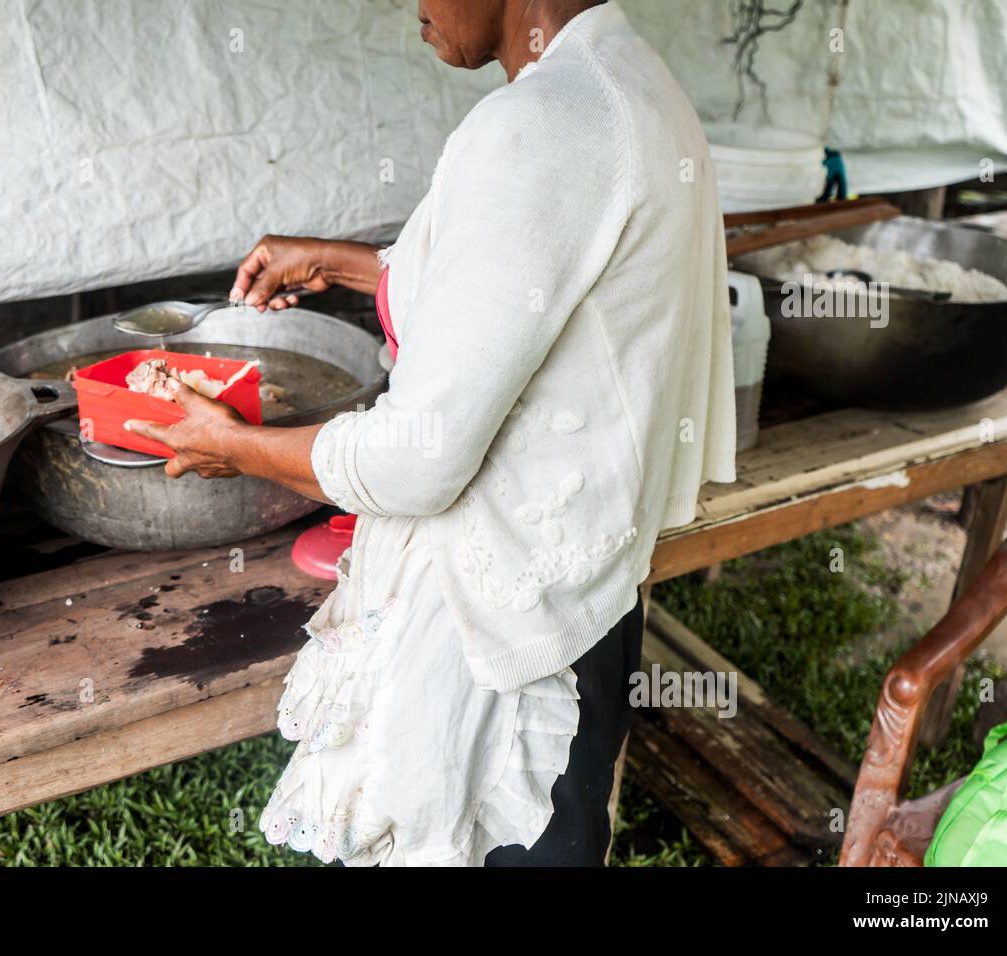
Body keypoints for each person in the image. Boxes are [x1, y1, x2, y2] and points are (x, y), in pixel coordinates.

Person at [125, 0, 736, 866]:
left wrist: (236, 446)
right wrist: (341, 263)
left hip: (495, 648)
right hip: (583, 594)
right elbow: (527, 291)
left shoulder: (538, 124)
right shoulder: (631, 79)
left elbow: (418, 461)